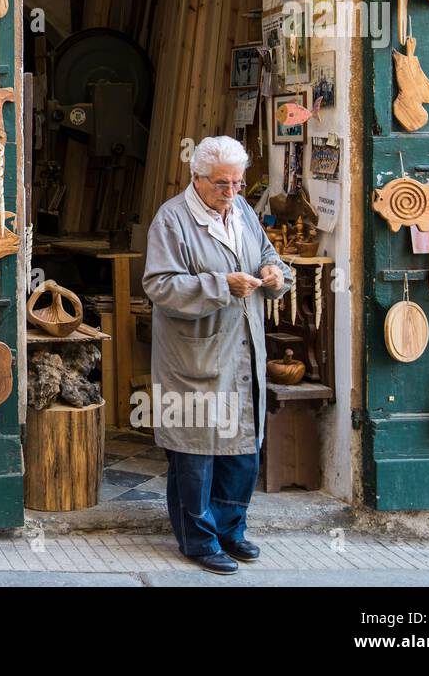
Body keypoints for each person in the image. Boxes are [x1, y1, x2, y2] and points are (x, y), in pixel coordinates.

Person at [142, 135, 294, 574]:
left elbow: (267, 253)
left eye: (237, 184)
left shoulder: (242, 210)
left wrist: (274, 272)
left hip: (242, 348)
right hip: (195, 355)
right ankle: (198, 539)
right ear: (198, 177)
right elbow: (159, 285)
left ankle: (231, 530)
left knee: (241, 449)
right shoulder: (172, 220)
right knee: (196, 452)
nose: (231, 193)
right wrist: (219, 285)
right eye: (222, 184)